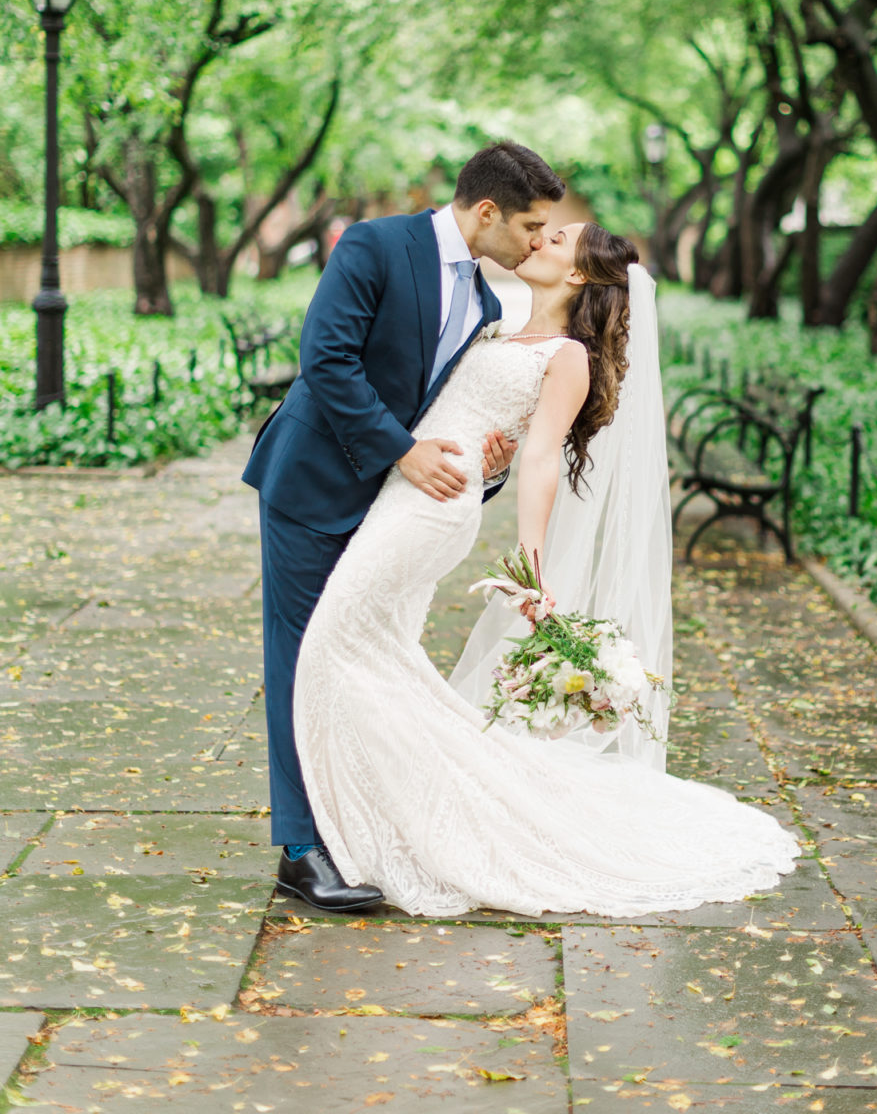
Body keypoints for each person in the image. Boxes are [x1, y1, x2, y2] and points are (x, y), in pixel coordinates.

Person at [293, 220, 800, 917]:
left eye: (557, 238)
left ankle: (387, 820)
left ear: (578, 275)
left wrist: (531, 566)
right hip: (403, 492)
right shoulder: (498, 328)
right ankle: (391, 811)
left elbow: (540, 459)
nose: (539, 240)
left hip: (433, 507)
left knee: (333, 645)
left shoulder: (568, 357)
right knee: (375, 654)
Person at [243, 140, 567, 912]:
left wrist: (486, 466)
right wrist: (404, 451)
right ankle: (301, 851)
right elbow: (327, 359)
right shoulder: (375, 245)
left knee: (362, 661)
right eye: (529, 226)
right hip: (311, 483)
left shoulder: (488, 307)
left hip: (392, 510)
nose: (535, 243)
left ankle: (359, 822)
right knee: (301, 658)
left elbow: (451, 411)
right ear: (485, 212)